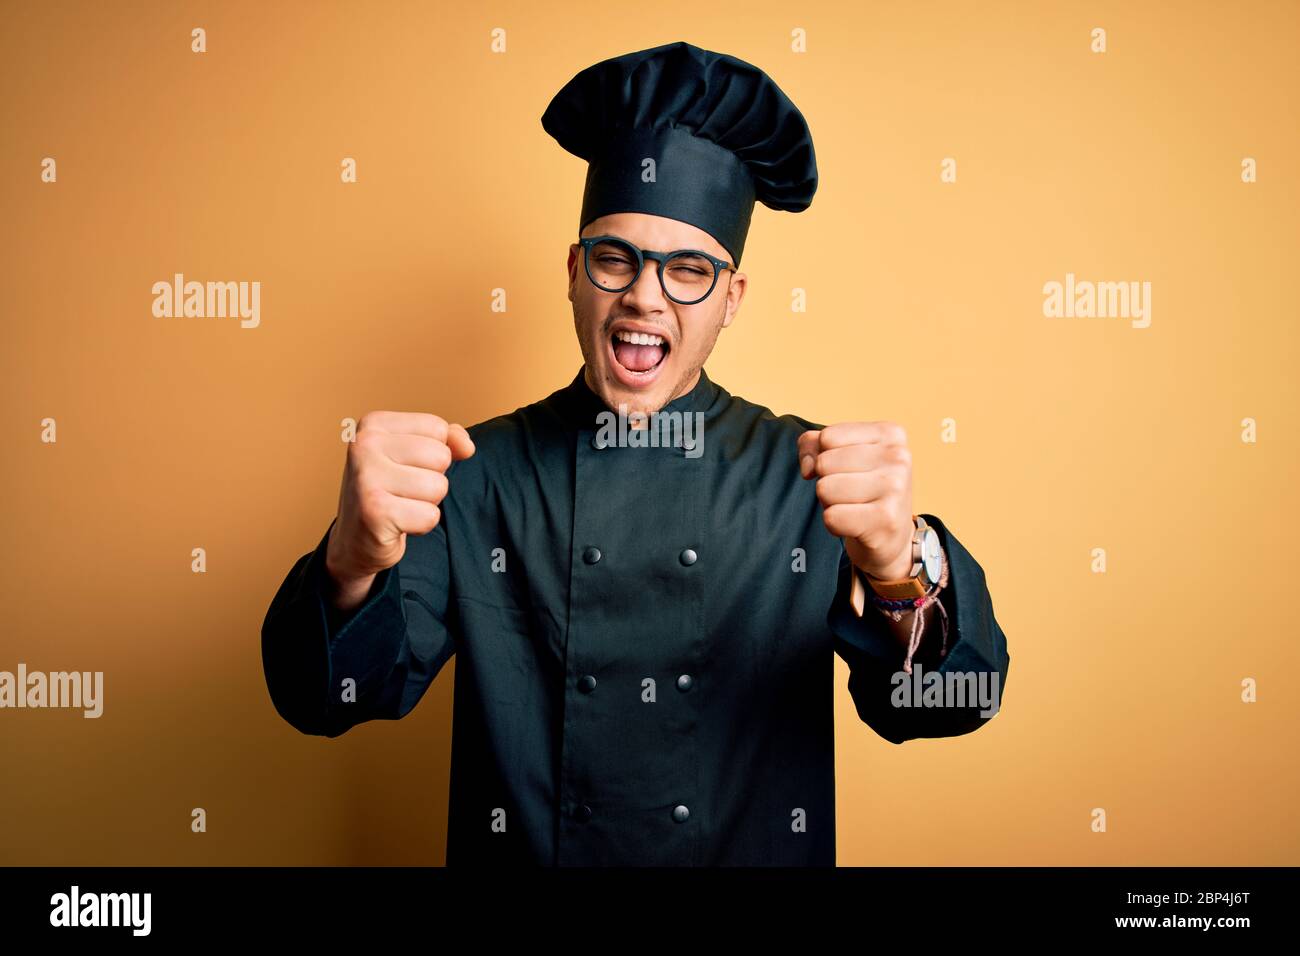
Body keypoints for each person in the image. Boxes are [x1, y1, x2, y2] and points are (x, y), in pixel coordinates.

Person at [260, 40, 1010, 866]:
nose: (644, 295)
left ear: (732, 299)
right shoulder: (472, 475)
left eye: (688, 269)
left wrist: (902, 566)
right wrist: (351, 563)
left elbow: (944, 706)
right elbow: (324, 701)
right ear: (576, 272)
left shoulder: (811, 483)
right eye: (616, 259)